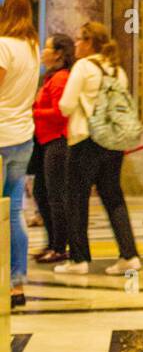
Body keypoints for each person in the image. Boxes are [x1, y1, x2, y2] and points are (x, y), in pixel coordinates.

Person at [57, 22, 140, 276]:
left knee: (76, 198)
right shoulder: (117, 70)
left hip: (85, 139)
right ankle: (129, 255)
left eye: (80, 39)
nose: (76, 44)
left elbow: (66, 105)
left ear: (90, 42)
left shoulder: (83, 67)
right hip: (112, 141)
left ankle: (79, 259)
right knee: (113, 196)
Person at [0, 0, 40, 307]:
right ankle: (16, 284)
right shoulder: (32, 46)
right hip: (22, 137)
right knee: (13, 213)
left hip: (0, 136)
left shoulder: (2, 46)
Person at [31, 33, 75, 264]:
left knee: (55, 196)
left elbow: (60, 113)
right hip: (46, 141)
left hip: (57, 142)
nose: (43, 51)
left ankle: (60, 247)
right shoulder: (50, 77)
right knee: (41, 192)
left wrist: (33, 112)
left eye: (47, 47)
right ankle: (52, 242)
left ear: (58, 53)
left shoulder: (59, 78)